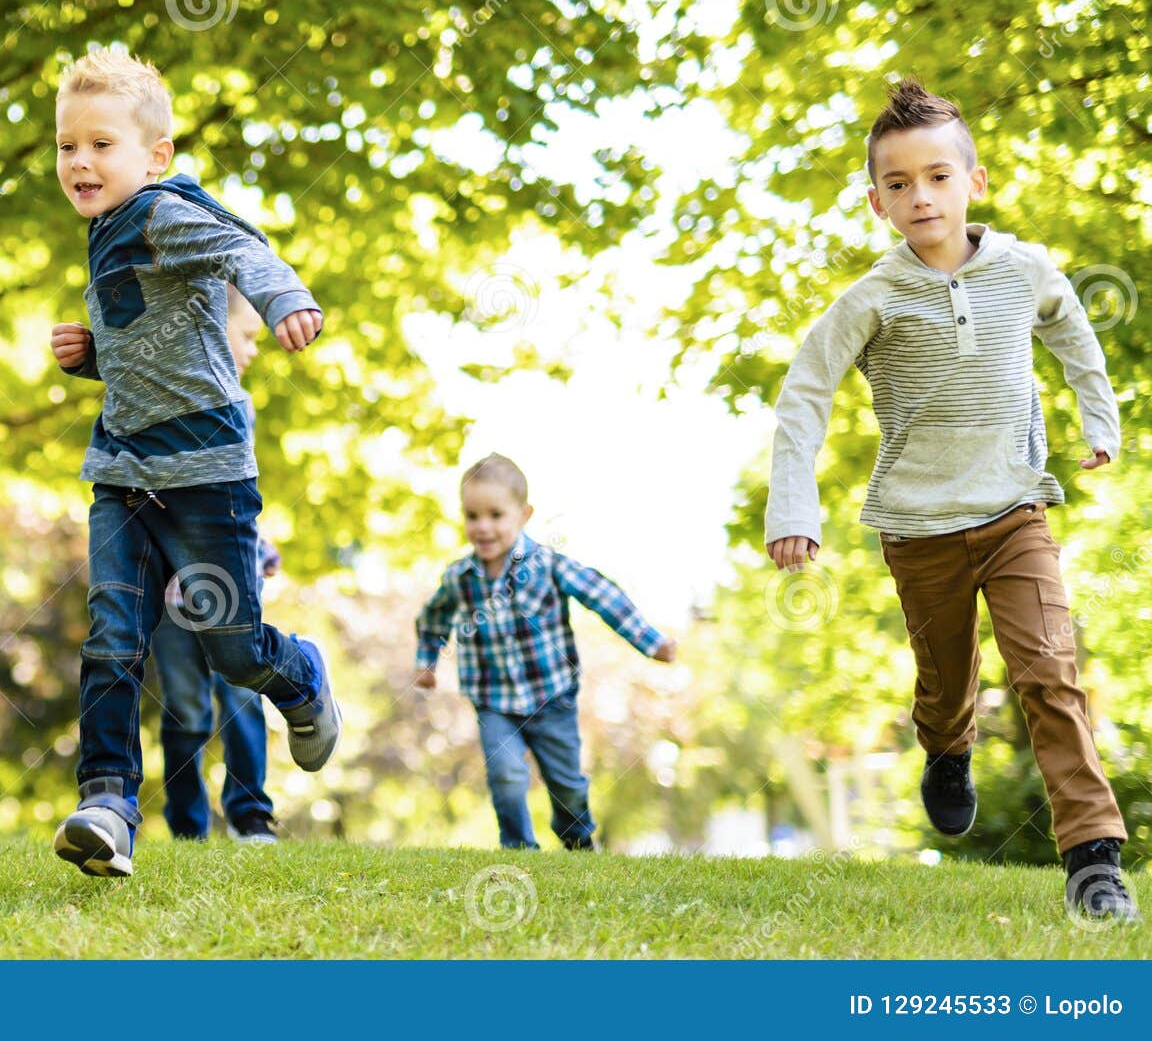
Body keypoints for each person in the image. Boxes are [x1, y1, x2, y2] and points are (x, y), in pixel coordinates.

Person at [765, 78, 1137, 921]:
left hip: (1015, 512)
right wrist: (793, 507)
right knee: (944, 682)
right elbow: (804, 393)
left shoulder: (1023, 267)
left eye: (936, 176)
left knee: (1050, 674)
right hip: (919, 526)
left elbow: (1072, 327)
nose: (919, 195)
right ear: (876, 203)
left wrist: (1098, 416)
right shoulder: (871, 298)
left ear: (972, 182)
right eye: (898, 184)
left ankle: (1093, 858)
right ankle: (946, 746)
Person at [47, 47, 339, 878]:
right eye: (68, 146)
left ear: (156, 155)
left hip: (206, 472)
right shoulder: (107, 228)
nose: (80, 162)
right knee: (111, 636)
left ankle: (300, 671)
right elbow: (151, 345)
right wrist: (93, 355)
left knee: (232, 649)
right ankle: (107, 803)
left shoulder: (166, 212)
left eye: (102, 144)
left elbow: (239, 250)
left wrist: (285, 297)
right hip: (122, 469)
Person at [60, 286, 284, 844]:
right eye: (248, 337)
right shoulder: (153, 398)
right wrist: (90, 353)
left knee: (241, 695)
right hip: (171, 602)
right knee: (187, 712)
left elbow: (235, 494)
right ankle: (188, 826)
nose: (253, 351)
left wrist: (262, 548)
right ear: (209, 329)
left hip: (227, 586)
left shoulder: (240, 407)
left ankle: (251, 814)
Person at [415, 454, 677, 850]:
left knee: (567, 784)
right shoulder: (459, 577)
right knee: (505, 775)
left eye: (495, 515)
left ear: (524, 514)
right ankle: (520, 849)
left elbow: (601, 596)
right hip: (494, 702)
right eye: (472, 516)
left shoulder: (548, 565)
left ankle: (577, 841)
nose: (482, 527)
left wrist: (650, 641)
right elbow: (433, 617)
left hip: (551, 698)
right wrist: (427, 661)